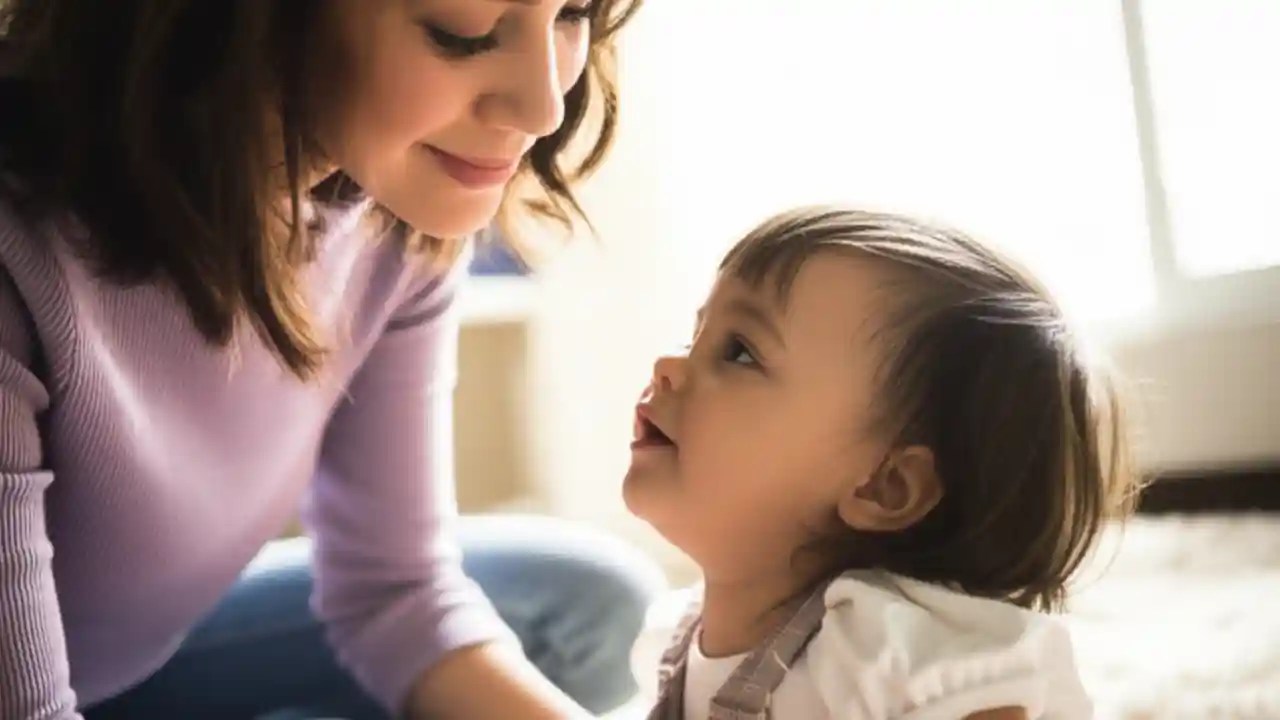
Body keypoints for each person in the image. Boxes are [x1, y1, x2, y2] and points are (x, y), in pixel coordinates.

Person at [0, 1, 662, 718]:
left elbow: (394, 594)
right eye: (460, 33)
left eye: (574, 11)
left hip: (135, 666)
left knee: (583, 605)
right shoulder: (19, 260)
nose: (543, 107)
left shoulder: (397, 217)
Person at [625, 207, 1139, 718]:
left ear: (885, 486)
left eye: (739, 352)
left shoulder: (884, 646)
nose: (669, 366)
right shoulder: (670, 644)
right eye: (696, 338)